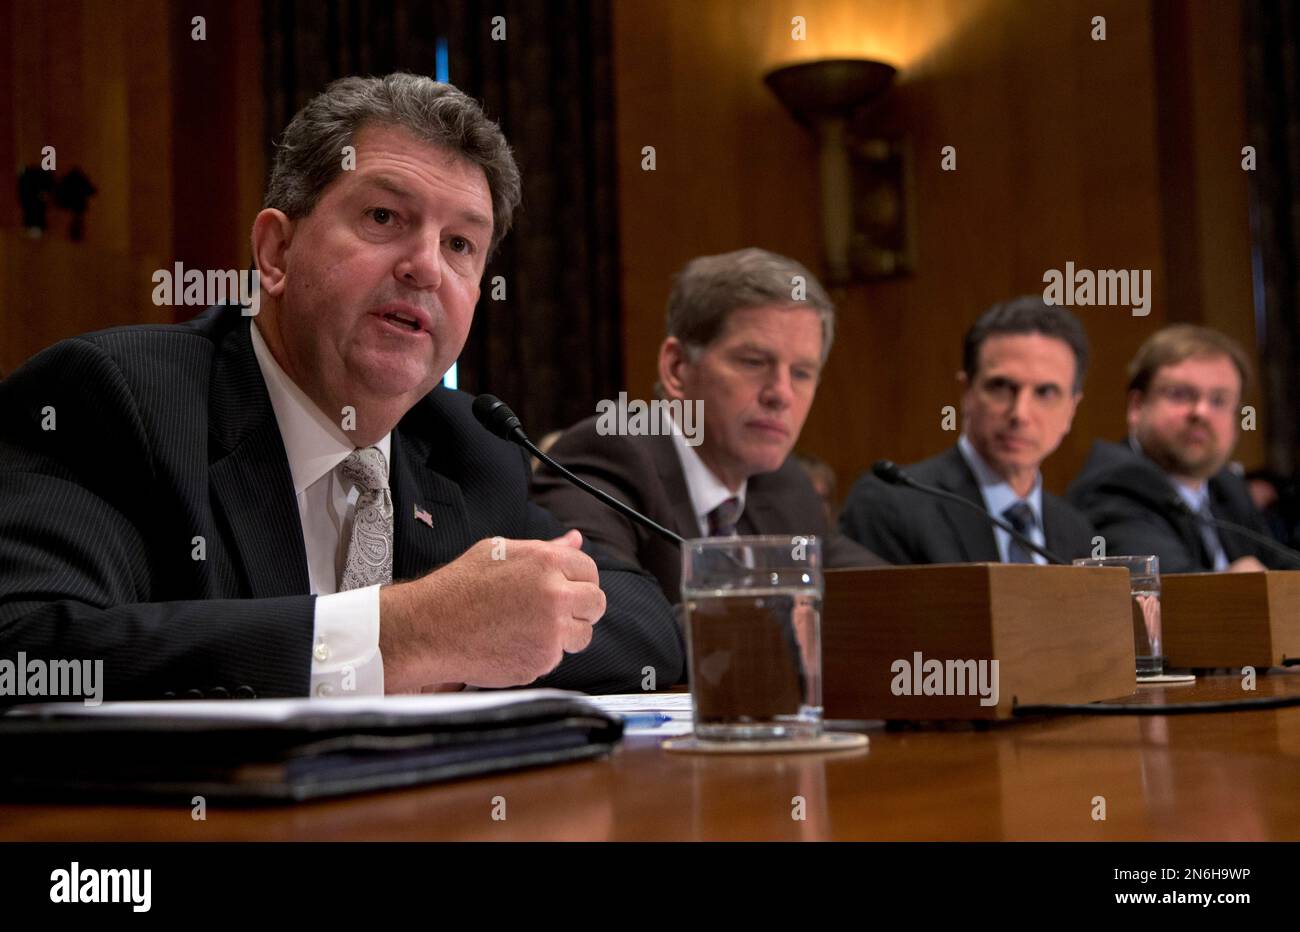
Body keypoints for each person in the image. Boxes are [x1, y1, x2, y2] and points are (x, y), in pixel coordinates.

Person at [0, 73, 683, 702]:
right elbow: (28, 652)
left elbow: (643, 622)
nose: (425, 268)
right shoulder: (120, 401)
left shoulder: (465, 444)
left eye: (460, 245)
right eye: (384, 217)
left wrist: (481, 639)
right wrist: (401, 638)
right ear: (275, 253)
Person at [531, 248, 883, 602]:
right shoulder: (607, 461)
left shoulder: (783, 486)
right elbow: (612, 625)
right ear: (678, 368)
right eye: (754, 362)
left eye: (802, 373)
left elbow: (886, 594)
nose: (782, 394)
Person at [840, 297, 1096, 564]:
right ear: (966, 393)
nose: (1020, 414)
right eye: (1001, 387)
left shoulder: (1076, 530)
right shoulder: (889, 506)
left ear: (1072, 409)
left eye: (1045, 392)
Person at [1067, 325, 1287, 572]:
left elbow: (1284, 567)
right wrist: (1243, 586)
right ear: (1137, 406)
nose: (1201, 412)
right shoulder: (1113, 486)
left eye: (1218, 400)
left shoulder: (1226, 486)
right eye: (1181, 394)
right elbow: (1169, 592)